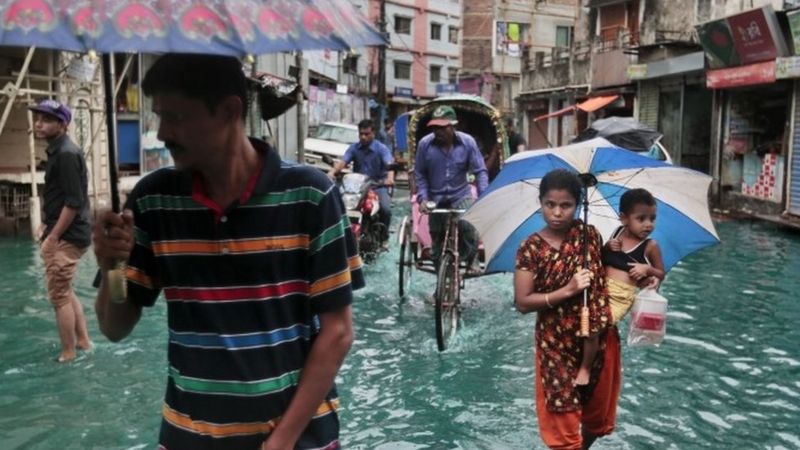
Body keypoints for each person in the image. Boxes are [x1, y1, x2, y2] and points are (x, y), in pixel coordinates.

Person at [92, 54, 364, 450]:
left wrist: (281, 442)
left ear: (229, 111)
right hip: (188, 438)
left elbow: (338, 332)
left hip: (299, 440)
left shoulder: (311, 195)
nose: (163, 133)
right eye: (160, 116)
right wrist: (110, 267)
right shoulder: (153, 201)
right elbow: (114, 328)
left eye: (177, 117)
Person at [513, 169, 618, 450]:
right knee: (562, 420)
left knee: (595, 418)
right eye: (550, 204)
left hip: (596, 335)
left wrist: (645, 277)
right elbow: (522, 301)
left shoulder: (589, 236)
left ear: (577, 205)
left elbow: (606, 276)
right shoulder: (530, 248)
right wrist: (567, 290)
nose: (557, 213)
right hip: (555, 344)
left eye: (566, 205)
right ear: (540, 202)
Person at [576, 188, 665, 385]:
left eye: (652, 218)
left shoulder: (650, 246)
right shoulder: (617, 234)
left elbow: (661, 273)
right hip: (601, 288)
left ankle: (585, 368)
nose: (648, 224)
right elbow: (601, 258)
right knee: (580, 318)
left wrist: (647, 269)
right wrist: (607, 247)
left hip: (621, 297)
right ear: (624, 218)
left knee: (595, 327)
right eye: (641, 219)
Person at [31, 99, 93, 363]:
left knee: (58, 294)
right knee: (65, 290)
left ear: (63, 124)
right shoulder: (59, 150)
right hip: (67, 230)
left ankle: (68, 353)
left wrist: (53, 237)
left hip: (68, 235)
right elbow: (61, 197)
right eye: (37, 118)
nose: (38, 123)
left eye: (46, 119)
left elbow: (73, 202)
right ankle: (83, 341)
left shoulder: (66, 153)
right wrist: (47, 223)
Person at [414, 105, 488, 274]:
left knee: (468, 226)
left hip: (460, 194)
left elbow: (480, 171)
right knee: (436, 237)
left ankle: (472, 259)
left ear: (453, 126)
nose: (437, 132)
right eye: (434, 128)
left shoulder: (467, 142)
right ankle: (440, 275)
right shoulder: (425, 145)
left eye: (442, 127)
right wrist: (423, 198)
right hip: (435, 197)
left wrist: (483, 196)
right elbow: (420, 174)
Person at [328, 118, 394, 246]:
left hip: (378, 186)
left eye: (366, 134)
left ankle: (384, 238)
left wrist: (390, 178)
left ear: (373, 133)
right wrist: (332, 172)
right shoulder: (354, 148)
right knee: (337, 205)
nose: (363, 137)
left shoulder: (382, 149)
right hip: (358, 187)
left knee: (385, 209)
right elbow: (343, 162)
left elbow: (389, 164)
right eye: (361, 134)